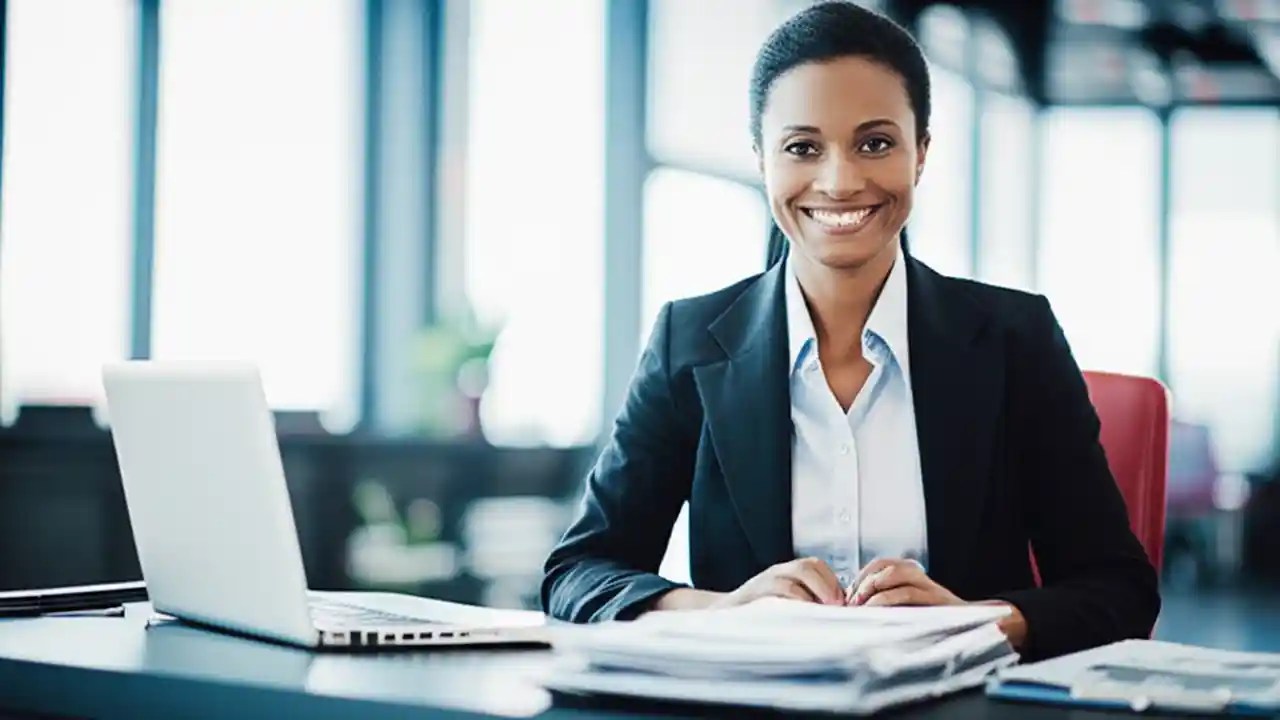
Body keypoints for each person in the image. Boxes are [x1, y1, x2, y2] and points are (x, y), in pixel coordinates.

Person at [541, 1, 1158, 661]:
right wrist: (726, 612)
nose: (839, 181)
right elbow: (579, 576)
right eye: (802, 147)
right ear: (761, 158)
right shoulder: (687, 342)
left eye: (875, 143)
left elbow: (1118, 589)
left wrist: (978, 622)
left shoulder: (1017, 338)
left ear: (921, 153)